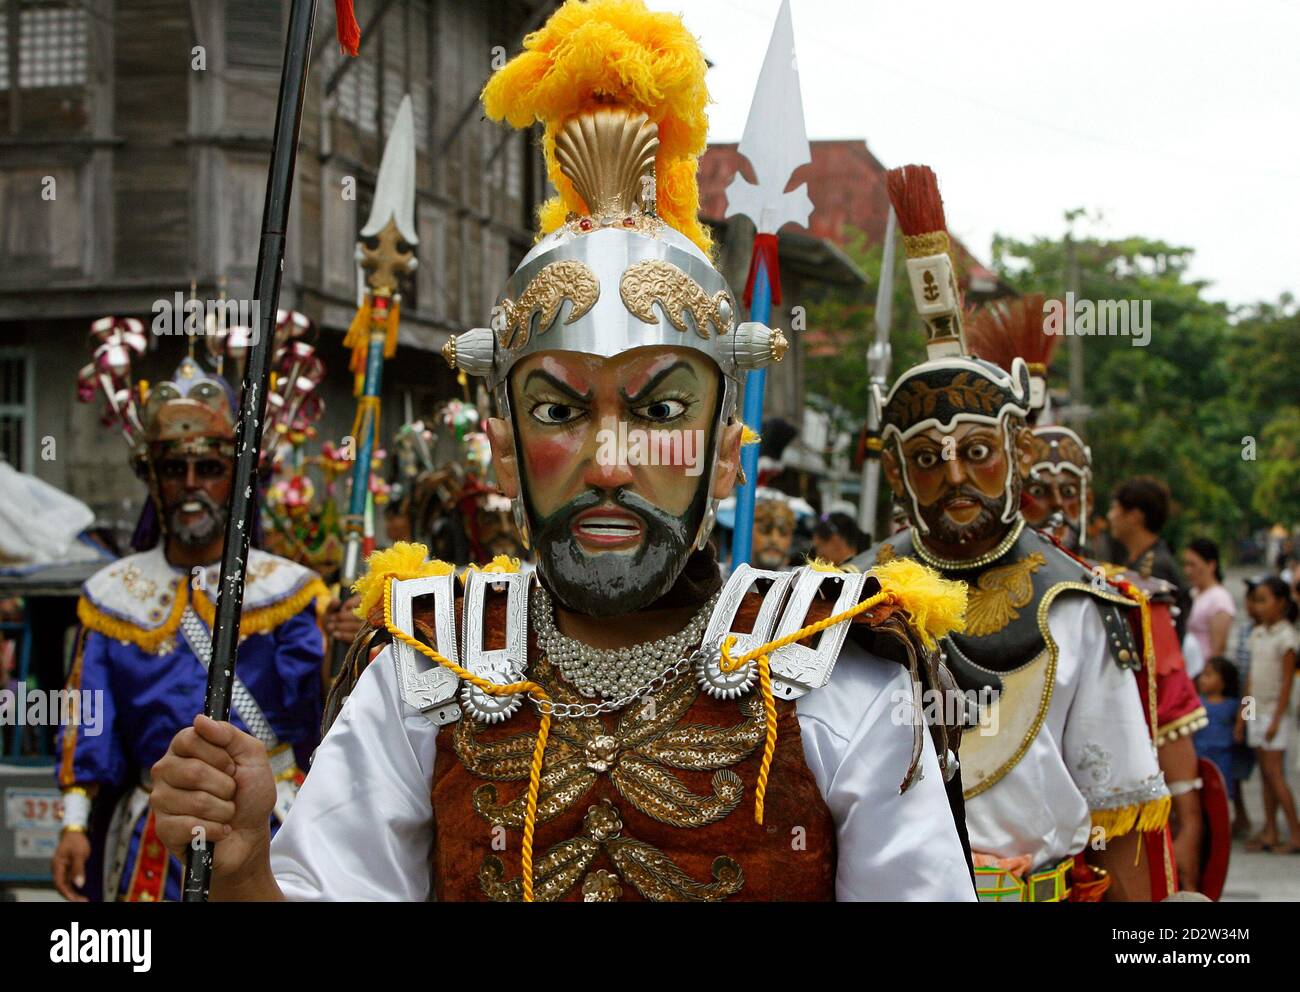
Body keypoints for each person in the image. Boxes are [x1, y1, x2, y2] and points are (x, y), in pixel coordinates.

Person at [146, 0, 975, 903]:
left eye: (660, 409)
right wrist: (242, 870)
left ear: (727, 454)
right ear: (503, 450)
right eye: (559, 411)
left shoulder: (833, 669)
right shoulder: (432, 667)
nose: (610, 463)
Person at [853, 164, 1171, 902]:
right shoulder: (845, 600)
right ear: (898, 474)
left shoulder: (1080, 606)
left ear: (1016, 454)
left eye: (977, 451)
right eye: (928, 458)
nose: (955, 475)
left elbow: (1119, 814)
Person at [51, 346, 329, 902]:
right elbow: (89, 719)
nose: (191, 484)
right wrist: (75, 823)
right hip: (153, 838)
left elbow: (323, 719)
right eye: (175, 469)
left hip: (274, 823)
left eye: (210, 468)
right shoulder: (111, 598)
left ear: (236, 478)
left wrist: (349, 643)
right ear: (154, 480)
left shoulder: (292, 592)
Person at [966, 297, 1210, 892]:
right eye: (1037, 490)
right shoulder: (918, 588)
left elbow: (1174, 796)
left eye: (1065, 492)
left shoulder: (1126, 604)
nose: (1050, 508)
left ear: (1091, 502)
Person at [1237, 576, 1300, 852]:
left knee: (1275, 774)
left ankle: (1295, 832)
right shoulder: (1258, 633)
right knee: (1264, 773)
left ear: (1282, 603)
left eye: (1264, 601)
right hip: (1257, 712)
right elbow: (1251, 677)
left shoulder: (1287, 638)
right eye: (1257, 601)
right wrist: (1245, 715)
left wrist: (1276, 718)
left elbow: (1287, 682)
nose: (1259, 607)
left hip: (1275, 713)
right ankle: (1270, 831)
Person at [1106, 476, 1191, 638]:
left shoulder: (1156, 569)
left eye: (1115, 508)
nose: (1110, 516)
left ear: (1135, 516)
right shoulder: (1138, 561)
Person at [1183, 538, 1236, 673]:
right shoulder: (1192, 593)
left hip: (1203, 673)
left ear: (1211, 565)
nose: (1188, 571)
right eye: (1186, 565)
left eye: (1193, 565)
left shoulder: (1219, 599)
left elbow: (1217, 649)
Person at [1194, 657, 1240, 805]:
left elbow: (1249, 704)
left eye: (1208, 675)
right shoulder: (1196, 703)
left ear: (1223, 681)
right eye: (1202, 675)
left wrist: (1241, 725)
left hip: (1223, 758)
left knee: (1221, 796)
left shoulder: (1232, 705)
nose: (1202, 680)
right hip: (1199, 757)